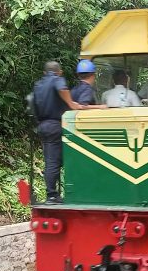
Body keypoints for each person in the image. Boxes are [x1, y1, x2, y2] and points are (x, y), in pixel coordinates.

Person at [31, 60, 105, 204]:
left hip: (42, 125)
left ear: (44, 72)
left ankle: (54, 194)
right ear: (59, 72)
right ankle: (52, 196)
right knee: (55, 162)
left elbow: (33, 104)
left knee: (51, 160)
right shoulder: (57, 80)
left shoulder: (38, 85)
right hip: (55, 124)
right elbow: (62, 89)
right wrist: (71, 103)